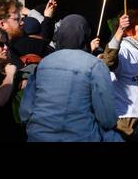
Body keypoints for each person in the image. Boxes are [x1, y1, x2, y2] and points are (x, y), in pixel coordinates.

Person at [20, 14, 119, 142]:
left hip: (38, 136)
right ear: (85, 36)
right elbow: (107, 117)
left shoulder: (43, 64)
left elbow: (25, 111)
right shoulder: (94, 65)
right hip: (80, 137)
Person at [110, 10, 138, 135]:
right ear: (129, 29)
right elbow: (108, 61)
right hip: (126, 120)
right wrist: (119, 31)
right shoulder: (123, 50)